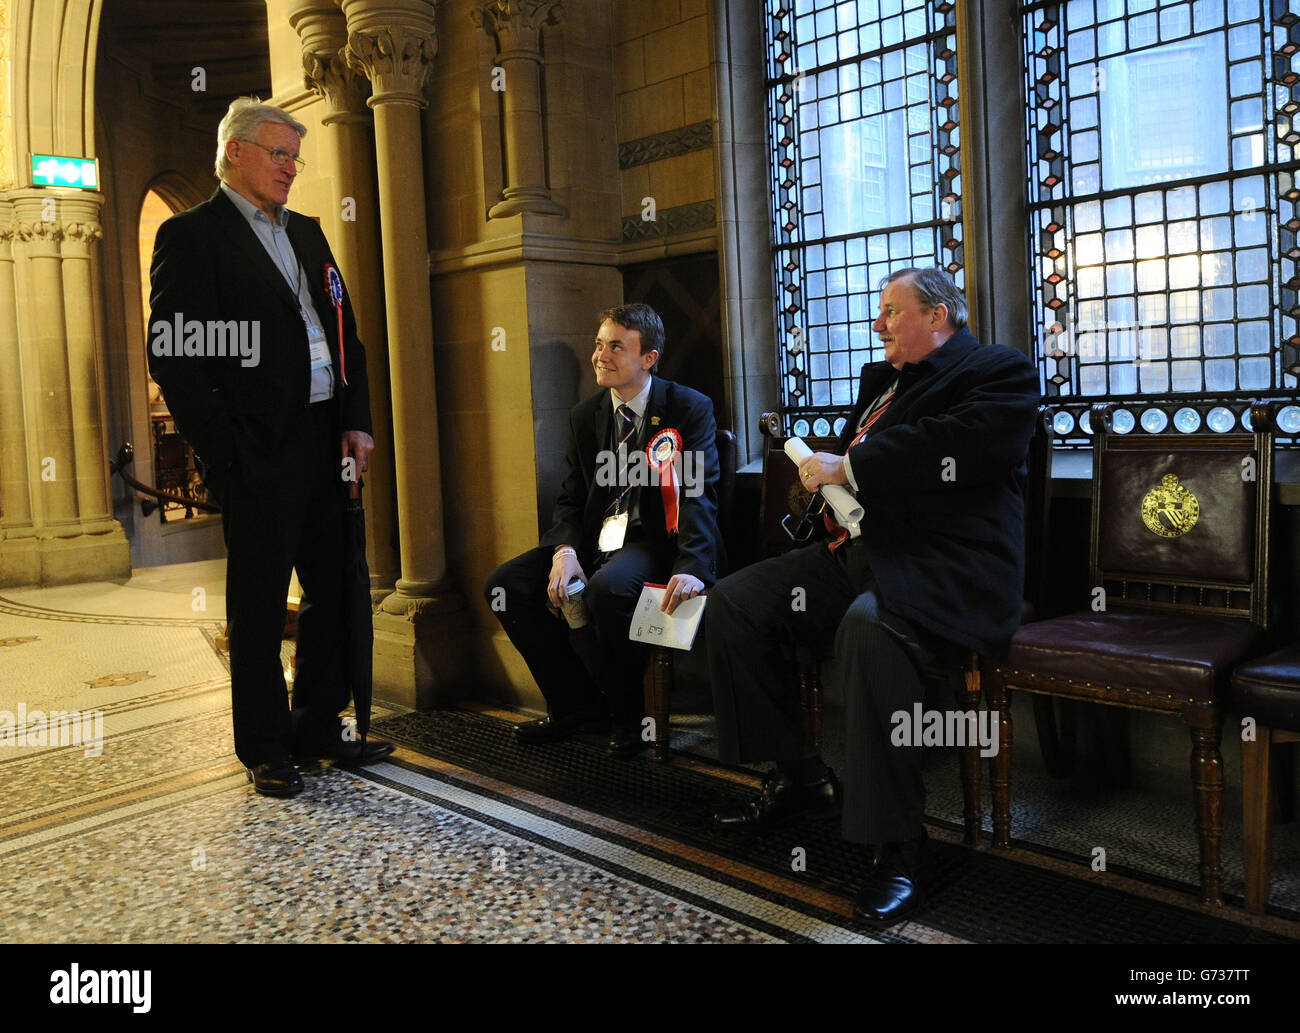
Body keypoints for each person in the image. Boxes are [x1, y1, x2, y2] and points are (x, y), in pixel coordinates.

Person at [706, 267, 1039, 925]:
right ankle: (802, 776)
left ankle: (901, 846)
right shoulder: (882, 381)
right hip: (859, 551)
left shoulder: (999, 370)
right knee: (731, 602)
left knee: (869, 628)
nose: (878, 323)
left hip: (945, 563)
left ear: (939, 316)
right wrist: (829, 480)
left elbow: (955, 445)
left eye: (891, 310)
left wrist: (848, 467)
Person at [148, 97, 392, 798]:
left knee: (335, 588)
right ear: (236, 154)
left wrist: (358, 419)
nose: (291, 166)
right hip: (259, 449)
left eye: (295, 155)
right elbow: (174, 354)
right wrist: (226, 451)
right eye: (279, 153)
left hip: (327, 439)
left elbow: (346, 334)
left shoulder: (310, 234)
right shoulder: (192, 237)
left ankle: (319, 724)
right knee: (258, 601)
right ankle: (263, 744)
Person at [485, 304, 722, 756]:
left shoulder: (686, 408)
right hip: (593, 540)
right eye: (598, 344)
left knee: (608, 590)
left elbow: (697, 493)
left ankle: (629, 719)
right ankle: (576, 707)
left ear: (649, 358)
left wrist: (694, 565)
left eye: (616, 346)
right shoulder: (584, 415)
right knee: (506, 585)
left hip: (652, 541)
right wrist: (563, 550)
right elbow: (572, 498)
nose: (601, 356)